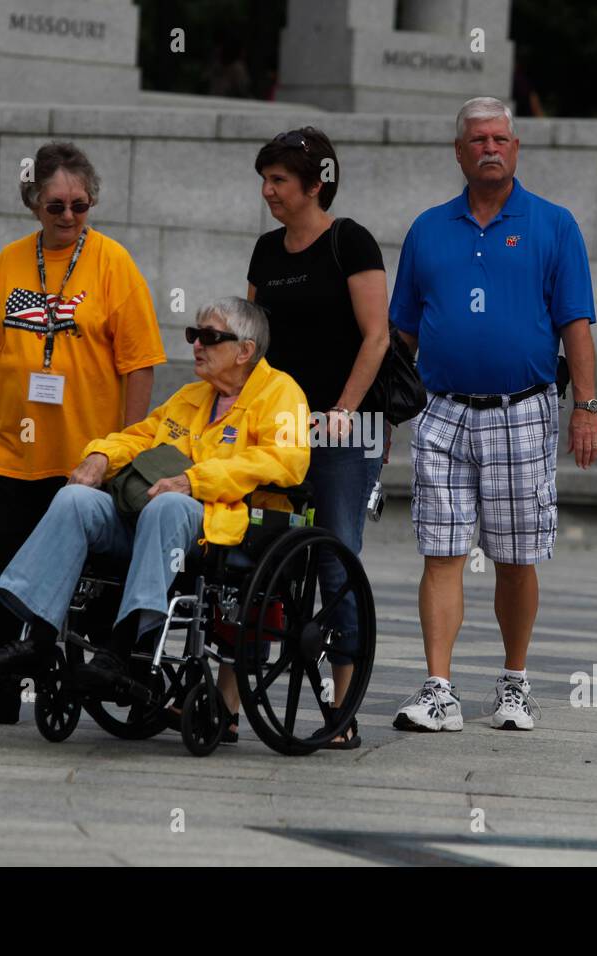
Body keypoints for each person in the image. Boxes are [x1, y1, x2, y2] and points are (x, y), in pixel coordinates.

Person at [0, 298, 309, 712]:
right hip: (150, 515)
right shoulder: (191, 396)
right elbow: (141, 436)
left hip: (221, 524)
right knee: (75, 499)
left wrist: (195, 480)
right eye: (193, 335)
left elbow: (286, 461)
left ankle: (122, 652)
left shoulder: (281, 393)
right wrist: (101, 457)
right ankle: (36, 642)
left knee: (167, 506)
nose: (197, 345)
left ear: (245, 351)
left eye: (210, 337)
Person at [389, 96, 597, 733]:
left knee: (515, 556)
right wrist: (388, 405)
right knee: (441, 550)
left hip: (522, 411)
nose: (490, 148)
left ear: (516, 149)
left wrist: (586, 407)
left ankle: (514, 683)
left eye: (501, 139)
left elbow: (575, 325)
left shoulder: (553, 224)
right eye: (478, 139)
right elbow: (401, 332)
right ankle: (438, 689)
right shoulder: (428, 228)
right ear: (459, 151)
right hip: (443, 411)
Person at [0, 142, 165, 725]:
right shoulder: (10, 262)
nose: (68, 216)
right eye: (56, 206)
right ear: (33, 204)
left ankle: (62, 683)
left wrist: (127, 445)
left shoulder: (113, 263)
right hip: (14, 451)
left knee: (78, 577)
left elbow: (139, 363)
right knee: (1, 568)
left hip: (84, 458)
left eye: (80, 205)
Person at [245, 126, 390, 749]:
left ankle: (342, 703)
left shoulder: (349, 241)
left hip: (346, 428)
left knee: (334, 558)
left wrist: (342, 409)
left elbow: (377, 337)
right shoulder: (266, 251)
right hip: (280, 424)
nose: (268, 191)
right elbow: (251, 342)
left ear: (314, 185)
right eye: (266, 180)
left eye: (279, 180)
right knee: (247, 551)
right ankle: (228, 701)